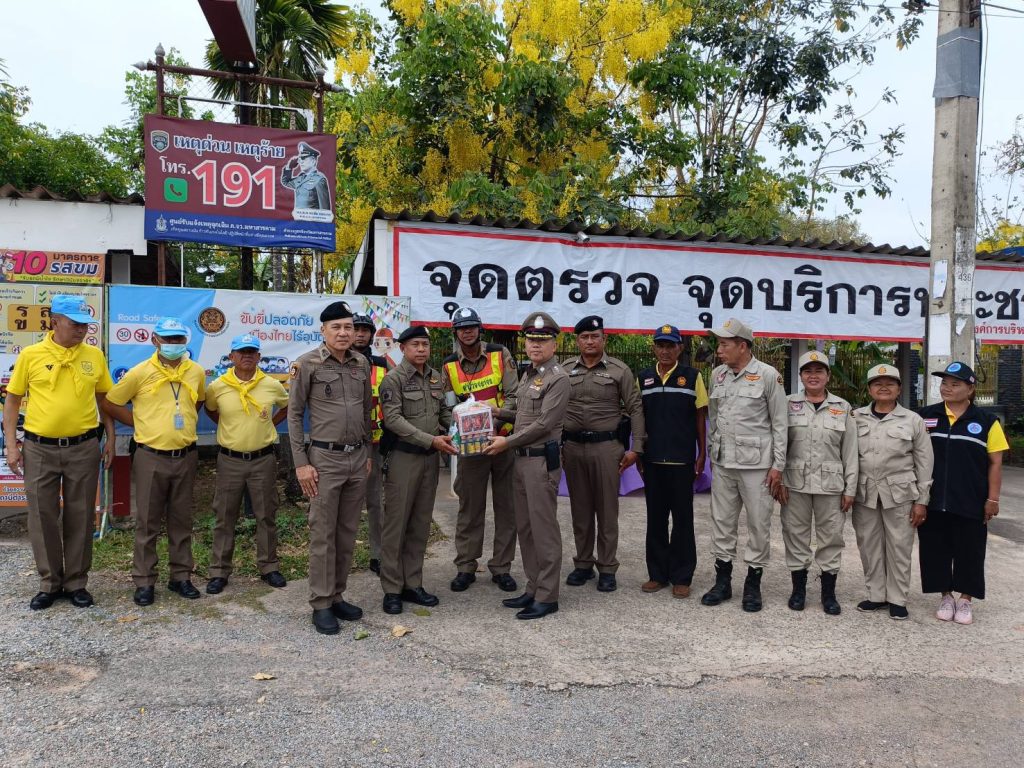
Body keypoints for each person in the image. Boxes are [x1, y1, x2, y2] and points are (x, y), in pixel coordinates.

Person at [3, 295, 114, 610]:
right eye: (74, 323)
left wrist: (109, 437)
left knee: (80, 514)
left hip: (83, 447)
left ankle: (76, 583)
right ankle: (50, 583)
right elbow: (12, 401)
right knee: (43, 515)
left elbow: (104, 399)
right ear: (55, 322)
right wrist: (12, 445)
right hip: (39, 448)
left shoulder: (94, 355)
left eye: (84, 325)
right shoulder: (31, 355)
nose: (81, 330)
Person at [103, 317, 207, 607]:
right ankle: (145, 580)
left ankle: (181, 577)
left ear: (185, 341)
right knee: (147, 522)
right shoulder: (139, 372)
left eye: (178, 339)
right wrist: (140, 422)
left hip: (186, 455)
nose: (173, 344)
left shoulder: (195, 371)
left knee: (181, 520)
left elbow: (197, 402)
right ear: (155, 340)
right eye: (167, 339)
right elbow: (110, 402)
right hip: (150, 456)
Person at [288, 301, 372, 635]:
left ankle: (337, 594)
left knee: (347, 532)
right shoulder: (306, 364)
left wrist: (366, 451)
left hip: (356, 457)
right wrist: (301, 464)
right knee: (323, 534)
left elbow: (366, 411)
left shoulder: (361, 363)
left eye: (348, 327)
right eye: (336, 327)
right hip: (323, 460)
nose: (343, 333)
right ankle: (321, 603)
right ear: (323, 331)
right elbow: (294, 416)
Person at [484, 312, 570, 620]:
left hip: (539, 461)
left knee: (544, 529)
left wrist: (506, 443)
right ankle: (534, 587)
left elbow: (545, 423)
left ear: (554, 343)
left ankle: (548, 596)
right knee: (526, 527)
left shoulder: (558, 378)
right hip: (521, 461)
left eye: (542, 340)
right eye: (531, 340)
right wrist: (492, 411)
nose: (535, 345)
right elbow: (522, 415)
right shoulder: (529, 374)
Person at [701, 317, 787, 613]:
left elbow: (780, 423)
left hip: (757, 467)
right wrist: (713, 453)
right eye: (719, 344)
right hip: (724, 463)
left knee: (758, 524)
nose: (719, 349)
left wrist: (778, 466)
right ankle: (722, 582)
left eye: (724, 344)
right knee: (722, 523)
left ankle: (753, 583)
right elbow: (714, 416)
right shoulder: (717, 375)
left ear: (743, 346)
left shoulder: (767, 375)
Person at [918, 362, 1007, 625]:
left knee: (971, 550)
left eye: (955, 384)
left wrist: (992, 499)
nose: (947, 388)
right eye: (944, 383)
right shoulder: (926, 415)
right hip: (933, 500)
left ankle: (966, 599)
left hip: (971, 500)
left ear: (970, 388)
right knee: (935, 548)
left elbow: (995, 463)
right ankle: (945, 595)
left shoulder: (987, 421)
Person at [561, 315, 644, 593]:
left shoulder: (620, 370)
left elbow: (635, 408)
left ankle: (607, 567)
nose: (589, 341)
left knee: (607, 510)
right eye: (584, 337)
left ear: (604, 339)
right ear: (577, 341)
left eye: (594, 336)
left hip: (606, 448)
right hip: (572, 448)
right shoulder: (564, 370)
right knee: (580, 510)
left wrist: (636, 448)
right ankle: (583, 563)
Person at [377, 326, 457, 615]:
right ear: (403, 349)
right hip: (403, 459)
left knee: (421, 524)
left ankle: (413, 583)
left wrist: (461, 430)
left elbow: (446, 412)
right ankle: (391, 589)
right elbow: (393, 420)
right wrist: (431, 440)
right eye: (415, 345)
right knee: (396, 525)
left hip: (429, 460)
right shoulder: (393, 380)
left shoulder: (439, 377)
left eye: (425, 344)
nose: (421, 349)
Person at [203, 333, 290, 595]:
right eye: (241, 352)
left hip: (262, 459)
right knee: (224, 516)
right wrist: (229, 428)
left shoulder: (271, 384)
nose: (247, 356)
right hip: (230, 459)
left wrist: (270, 425)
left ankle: (269, 566)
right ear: (231, 357)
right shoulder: (218, 386)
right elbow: (210, 409)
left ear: (259, 357)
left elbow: (287, 406)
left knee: (266, 515)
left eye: (252, 351)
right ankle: (219, 571)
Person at [442, 306, 519, 594]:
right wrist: (463, 422)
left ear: (480, 329)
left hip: (502, 441)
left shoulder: (501, 354)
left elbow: (514, 395)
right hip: (471, 447)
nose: (468, 331)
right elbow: (448, 406)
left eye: (472, 326)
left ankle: (502, 567)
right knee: (469, 508)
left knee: (506, 507)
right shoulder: (449, 365)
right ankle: (465, 566)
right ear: (456, 332)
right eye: (462, 327)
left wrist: (494, 420)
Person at [775, 351, 858, 615]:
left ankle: (828, 594)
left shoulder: (843, 408)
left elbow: (851, 452)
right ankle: (798, 590)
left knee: (831, 538)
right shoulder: (786, 404)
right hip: (794, 483)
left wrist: (850, 489)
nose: (813, 376)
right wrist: (779, 479)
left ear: (828, 376)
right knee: (794, 535)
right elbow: (779, 444)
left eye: (819, 371)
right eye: (808, 371)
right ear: (800, 376)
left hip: (832, 486)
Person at [851, 364, 933, 620]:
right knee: (869, 545)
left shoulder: (912, 420)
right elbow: (847, 457)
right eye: (877, 383)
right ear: (869, 389)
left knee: (899, 546)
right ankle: (876, 595)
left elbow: (924, 462)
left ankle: (897, 598)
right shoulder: (855, 417)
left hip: (900, 494)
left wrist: (922, 500)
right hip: (865, 493)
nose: (883, 387)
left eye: (889, 383)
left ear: (899, 388)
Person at [636, 324, 707, 598]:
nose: (665, 350)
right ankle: (657, 574)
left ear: (680, 348)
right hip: (652, 461)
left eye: (671, 345)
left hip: (682, 461)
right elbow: (637, 417)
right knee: (655, 519)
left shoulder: (692, 377)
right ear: (654, 347)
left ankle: (682, 576)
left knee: (682, 520)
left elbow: (700, 416)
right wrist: (639, 451)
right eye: (660, 345)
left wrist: (702, 454)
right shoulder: (643, 378)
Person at [352, 312, 392, 575]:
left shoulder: (382, 365)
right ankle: (338, 555)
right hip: (345, 444)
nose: (360, 333)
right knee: (344, 503)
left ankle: (377, 554)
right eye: (356, 329)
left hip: (375, 444)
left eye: (365, 330)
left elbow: (391, 402)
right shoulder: (337, 362)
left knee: (375, 502)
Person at [280, 141, 330, 211]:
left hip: (311, 220)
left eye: (304, 158)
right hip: (299, 220)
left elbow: (324, 209)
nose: (301, 162)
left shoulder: (319, 179)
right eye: (300, 159)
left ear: (313, 160)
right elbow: (286, 182)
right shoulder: (301, 178)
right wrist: (289, 167)